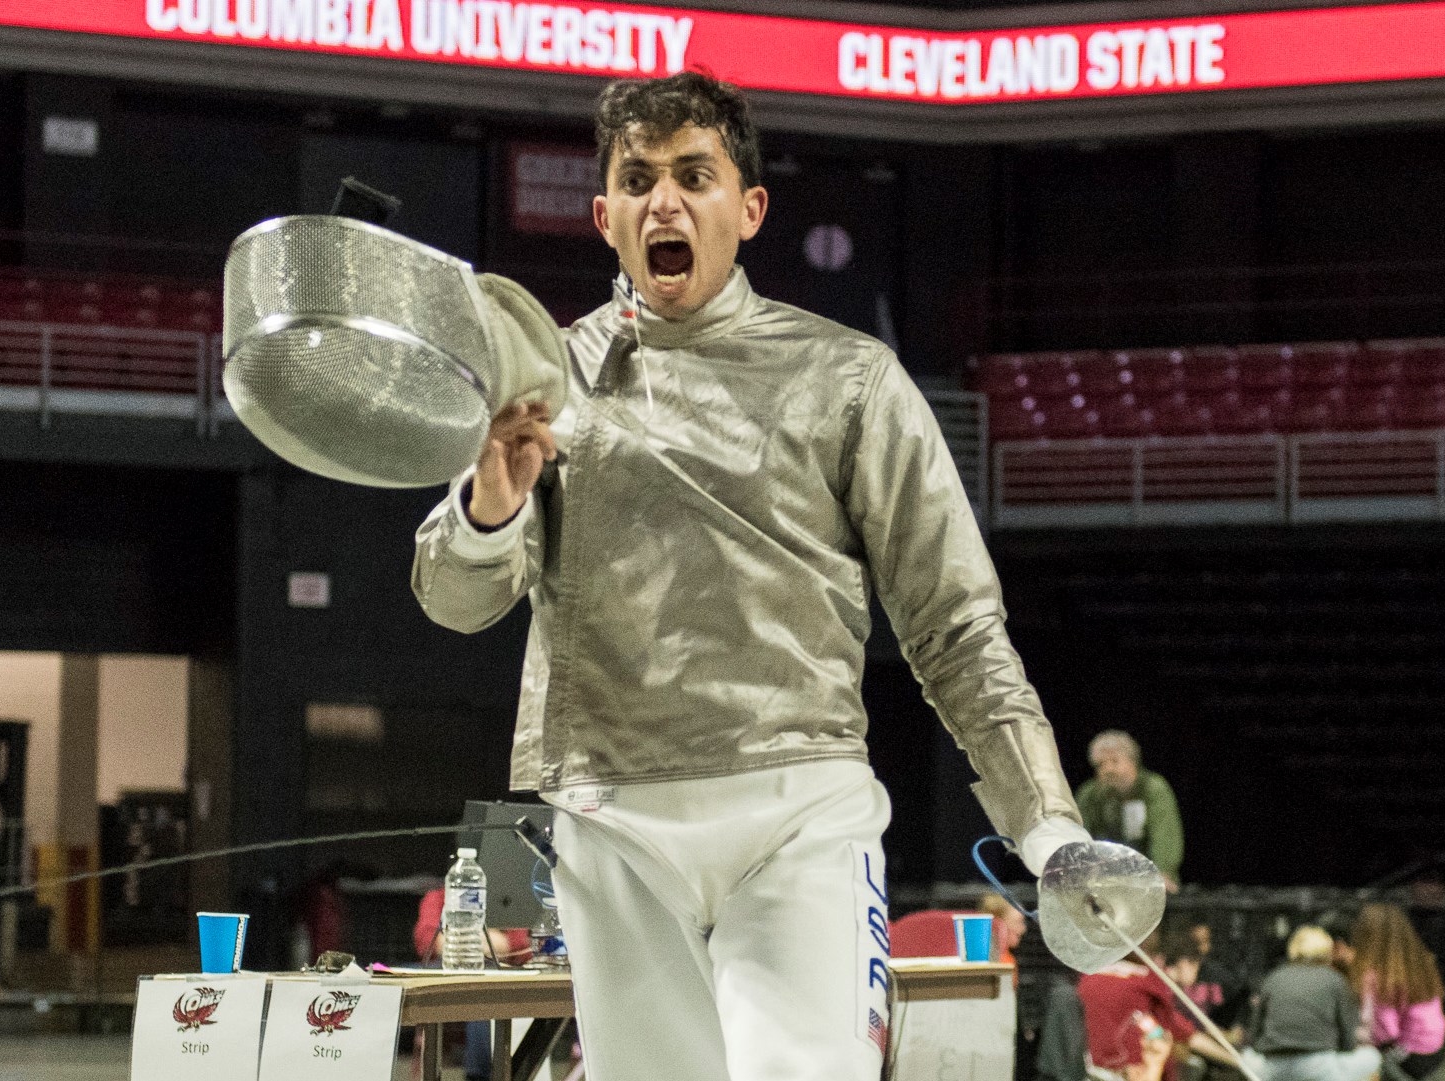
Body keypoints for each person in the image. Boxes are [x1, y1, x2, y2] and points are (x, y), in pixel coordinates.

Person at [412, 70, 1094, 1081]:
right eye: (639, 180)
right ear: (605, 216)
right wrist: (493, 500)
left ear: (749, 208)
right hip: (611, 816)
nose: (665, 201)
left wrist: (1047, 827)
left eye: (695, 174)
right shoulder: (540, 381)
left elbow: (953, 625)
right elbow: (455, 596)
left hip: (799, 811)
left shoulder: (847, 377)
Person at [1079, 929, 1241, 1081]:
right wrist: (1239, 1062)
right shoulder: (1148, 984)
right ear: (1185, 963)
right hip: (1132, 1071)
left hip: (1089, 1068)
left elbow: (1154, 1026)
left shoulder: (1090, 975)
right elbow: (1185, 1033)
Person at [413, 886, 533, 1080]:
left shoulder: (505, 898)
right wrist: (487, 940)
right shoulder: (438, 897)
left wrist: (457, 938)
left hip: (496, 978)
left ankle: (479, 1077)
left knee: (482, 990)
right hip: (446, 974)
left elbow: (521, 945)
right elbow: (427, 941)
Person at [1247, 926, 1379, 1081]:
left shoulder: (1274, 978)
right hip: (1319, 1067)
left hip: (1273, 1069)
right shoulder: (1335, 980)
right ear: (1327, 950)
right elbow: (1348, 1040)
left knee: (1247, 1056)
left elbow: (1255, 1036)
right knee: (1372, 1056)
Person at [1348, 905, 1445, 1081]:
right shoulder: (1420, 962)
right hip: (1434, 1051)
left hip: (1407, 1057)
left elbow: (1386, 1032)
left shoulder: (1378, 975)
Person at [1076, 731, 1184, 891]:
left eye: (1115, 761)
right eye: (1100, 764)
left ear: (1132, 761)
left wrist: (1163, 873)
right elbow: (1080, 836)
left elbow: (1165, 835)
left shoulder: (1153, 788)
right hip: (1105, 882)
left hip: (1150, 880)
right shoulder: (1090, 794)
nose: (1108, 769)